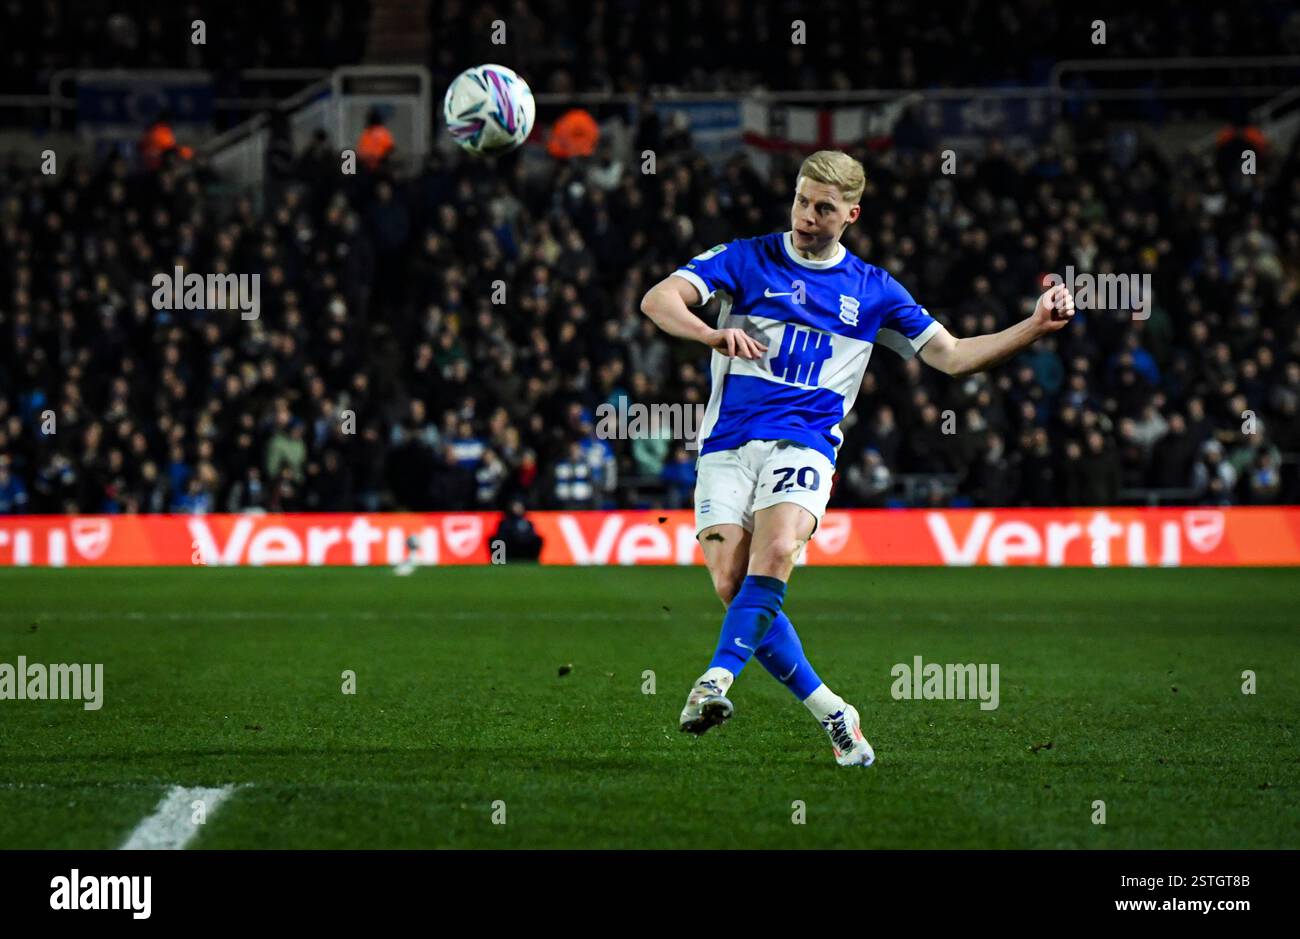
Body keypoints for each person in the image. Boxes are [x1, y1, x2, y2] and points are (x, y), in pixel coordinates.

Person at [639, 149, 1075, 766]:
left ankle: (714, 681)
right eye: (800, 200)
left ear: (851, 214)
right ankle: (834, 712)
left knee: (779, 550)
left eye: (823, 208)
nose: (806, 216)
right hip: (727, 443)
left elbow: (950, 356)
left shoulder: (874, 291)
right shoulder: (745, 258)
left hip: (807, 443)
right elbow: (658, 301)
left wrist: (1031, 327)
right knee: (733, 585)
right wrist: (713, 333)